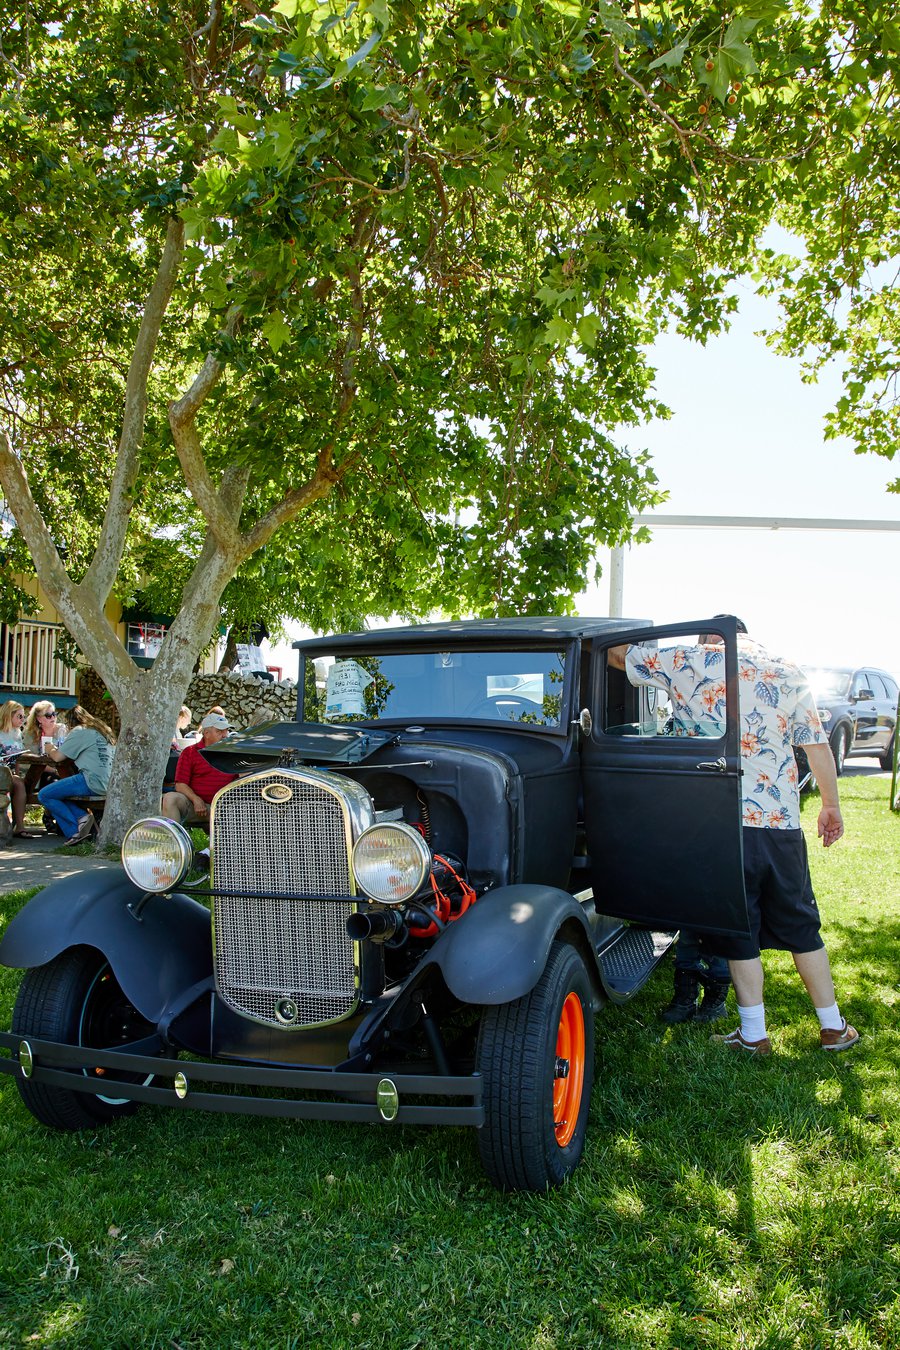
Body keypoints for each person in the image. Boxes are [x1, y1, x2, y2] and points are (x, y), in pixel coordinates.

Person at [609, 620, 859, 1056]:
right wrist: (830, 807)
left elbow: (618, 655)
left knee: (737, 924)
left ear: (710, 636)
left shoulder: (689, 659)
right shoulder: (787, 669)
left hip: (716, 823)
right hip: (779, 822)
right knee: (802, 925)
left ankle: (754, 1033)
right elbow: (816, 744)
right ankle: (832, 1026)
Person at [39, 706, 116, 845]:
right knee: (60, 794)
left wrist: (49, 748)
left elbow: (57, 757)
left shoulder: (80, 730)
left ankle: (75, 830)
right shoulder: (103, 731)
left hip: (91, 780)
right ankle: (82, 820)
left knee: (45, 795)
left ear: (71, 722)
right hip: (109, 783)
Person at [160, 712, 237, 825]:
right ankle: (174, 836)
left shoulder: (234, 753)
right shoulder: (190, 752)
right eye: (219, 731)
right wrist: (195, 799)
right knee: (170, 798)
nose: (225, 735)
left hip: (228, 808)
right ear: (206, 733)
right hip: (198, 806)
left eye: (226, 731)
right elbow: (180, 785)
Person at [0, 700, 40, 838]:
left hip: (9, 773)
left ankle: (19, 827)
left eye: (24, 716)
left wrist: (16, 774)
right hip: (1, 772)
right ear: (8, 715)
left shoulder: (17, 733)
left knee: (20, 784)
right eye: (19, 716)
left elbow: (17, 758)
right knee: (19, 784)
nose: (23, 719)